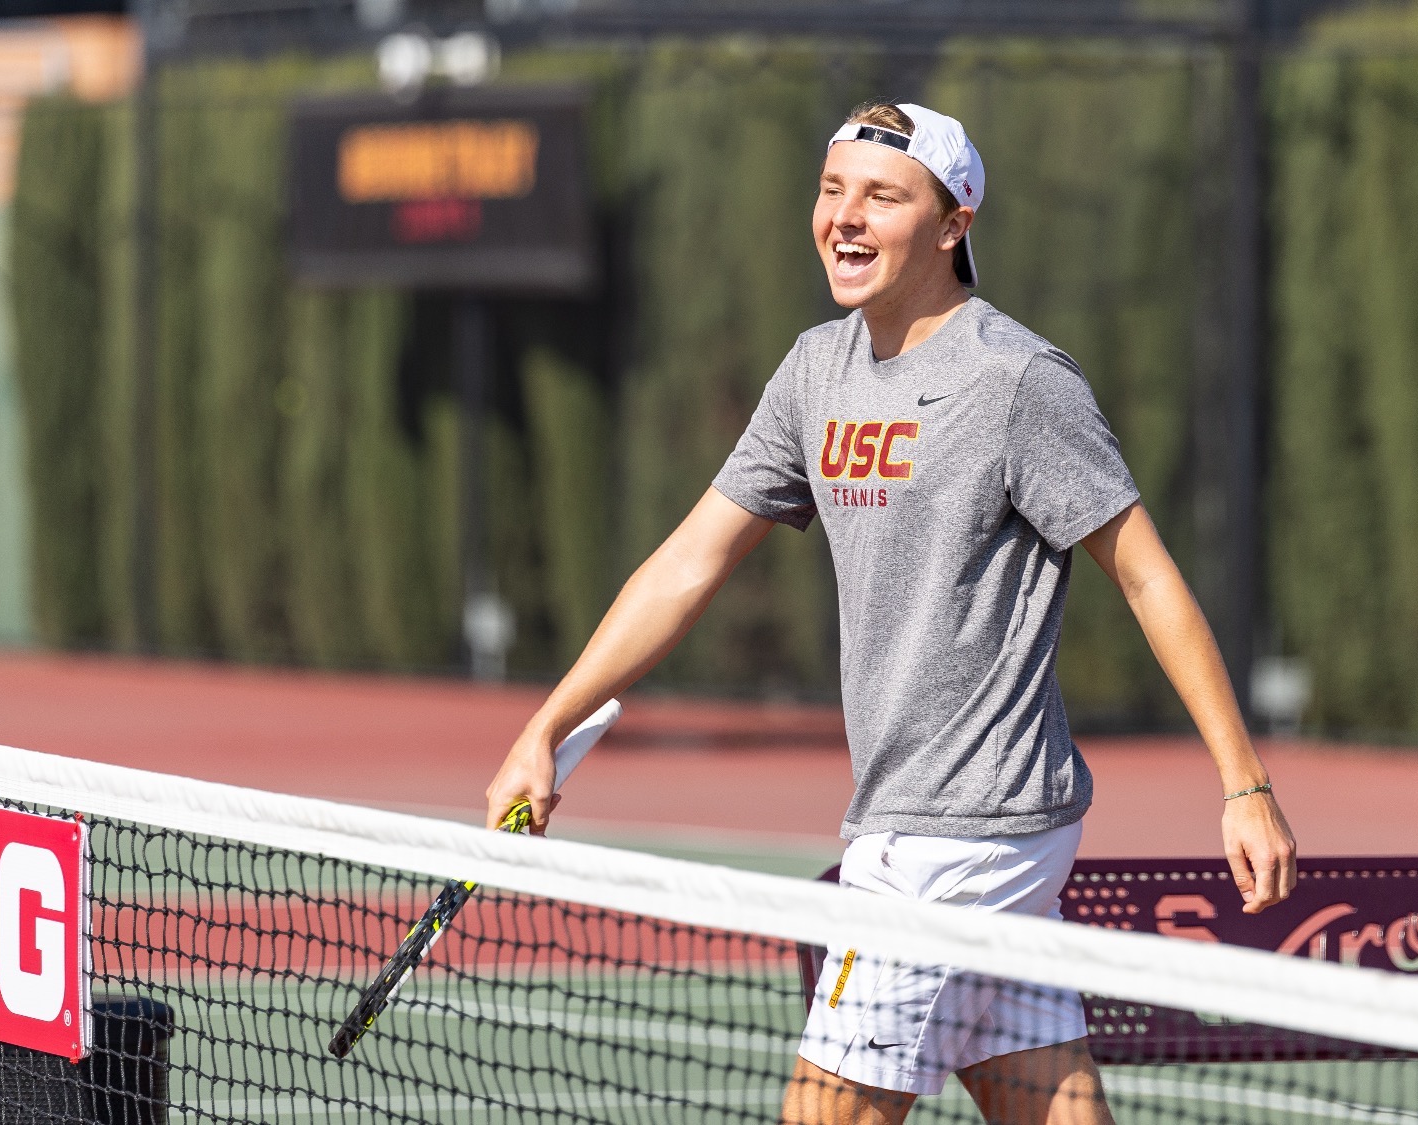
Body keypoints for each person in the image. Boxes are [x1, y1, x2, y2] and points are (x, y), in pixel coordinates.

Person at [484, 100, 1298, 1125]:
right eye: (832, 190)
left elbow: (1145, 576)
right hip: (963, 835)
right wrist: (546, 725)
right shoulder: (814, 371)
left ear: (954, 224)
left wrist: (1243, 784)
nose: (845, 217)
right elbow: (690, 562)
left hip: (951, 840)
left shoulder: (1017, 380)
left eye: (881, 196)